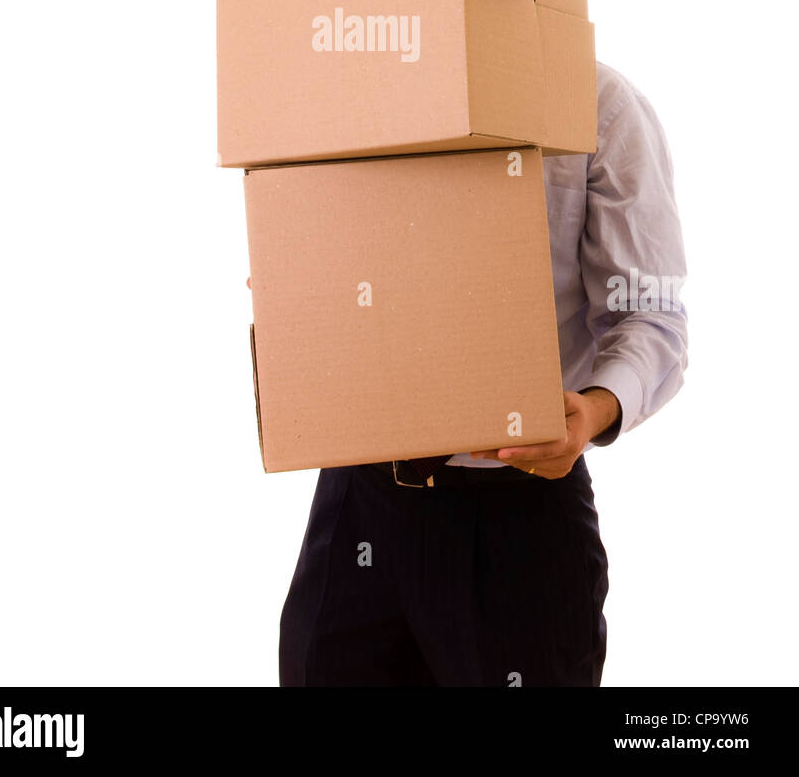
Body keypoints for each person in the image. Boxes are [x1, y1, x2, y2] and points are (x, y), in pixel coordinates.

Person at [277, 62, 688, 687]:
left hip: (520, 511)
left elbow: (651, 317)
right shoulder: (357, 86)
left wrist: (595, 411)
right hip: (359, 501)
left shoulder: (598, 105)